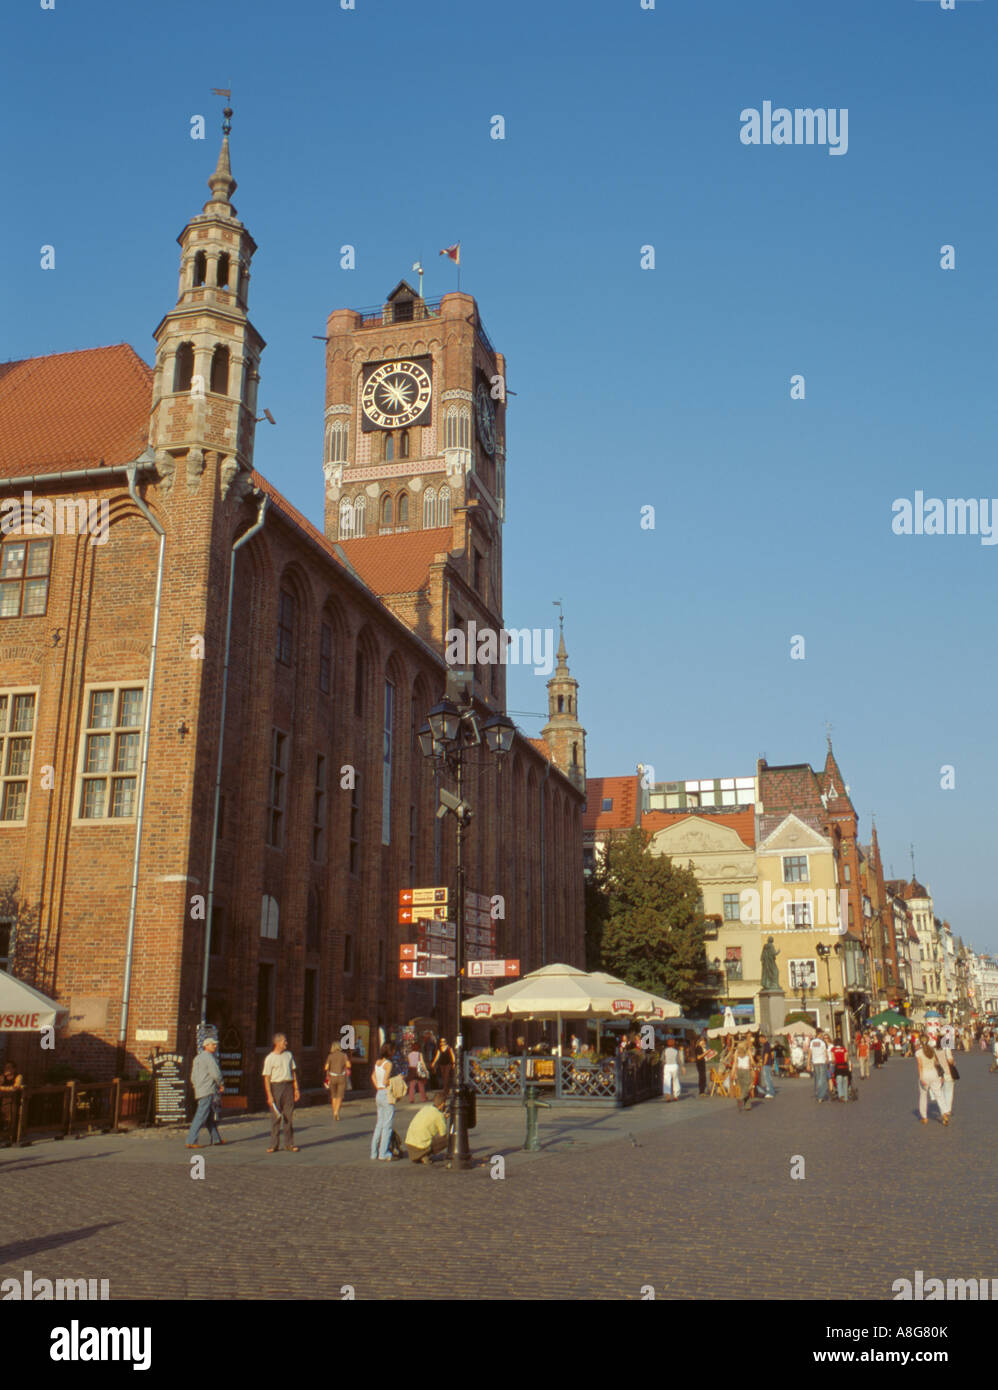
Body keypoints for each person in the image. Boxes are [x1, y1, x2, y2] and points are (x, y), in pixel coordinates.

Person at [185, 1036, 225, 1148]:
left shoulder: (197, 1058)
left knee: (209, 1116)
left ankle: (216, 1139)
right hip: (207, 1089)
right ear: (206, 1046)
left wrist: (196, 1086)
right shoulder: (209, 1058)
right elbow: (215, 1073)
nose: (215, 1046)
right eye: (213, 1044)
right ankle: (191, 1140)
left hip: (199, 1089)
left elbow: (192, 1076)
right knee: (201, 1115)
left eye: (215, 1044)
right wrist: (221, 1084)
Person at [263, 1033, 300, 1153]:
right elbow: (267, 1078)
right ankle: (274, 1144)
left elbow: (293, 1073)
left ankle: (289, 1144)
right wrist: (269, 1095)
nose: (286, 1043)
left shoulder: (289, 1055)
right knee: (276, 1117)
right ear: (277, 1043)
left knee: (288, 1116)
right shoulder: (270, 1058)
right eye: (284, 1041)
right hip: (276, 1086)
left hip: (288, 1086)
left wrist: (296, 1089)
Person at [404, 1091, 449, 1164]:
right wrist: (444, 1119)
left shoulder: (425, 1108)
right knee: (447, 1139)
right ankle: (424, 1155)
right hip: (420, 1147)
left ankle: (419, 1156)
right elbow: (443, 1134)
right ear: (443, 1104)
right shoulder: (439, 1116)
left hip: (409, 1145)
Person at [370, 1043, 396, 1161]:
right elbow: (386, 1080)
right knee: (387, 1125)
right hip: (386, 1094)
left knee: (379, 1124)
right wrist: (394, 1081)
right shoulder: (388, 1064)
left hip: (378, 1094)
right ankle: (383, 1153)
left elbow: (373, 1076)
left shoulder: (378, 1063)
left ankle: (373, 1153)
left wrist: (377, 1086)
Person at [914, 1037, 947, 1125]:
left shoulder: (918, 1052)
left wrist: (921, 1078)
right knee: (939, 1094)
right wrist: (941, 1075)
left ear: (920, 1042)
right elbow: (936, 1063)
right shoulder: (932, 1050)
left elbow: (920, 1066)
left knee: (923, 1095)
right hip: (934, 1073)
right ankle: (944, 1113)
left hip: (925, 1074)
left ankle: (924, 1117)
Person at [324, 1041, 351, 1121]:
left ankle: (334, 1112)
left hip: (332, 1077)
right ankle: (336, 1112)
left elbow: (326, 1067)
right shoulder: (344, 1055)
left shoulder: (330, 1056)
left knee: (333, 1095)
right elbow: (348, 1065)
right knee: (340, 1096)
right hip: (341, 1077)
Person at [731, 1039, 756, 1111]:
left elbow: (735, 1063)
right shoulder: (748, 1052)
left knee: (743, 1088)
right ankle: (741, 1098)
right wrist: (755, 1065)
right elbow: (752, 1061)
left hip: (739, 1071)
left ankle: (747, 1105)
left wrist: (733, 1073)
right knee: (748, 1087)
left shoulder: (736, 1052)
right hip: (746, 1071)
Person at [810, 1031, 830, 1102]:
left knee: (818, 1079)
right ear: (819, 1035)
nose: (822, 1036)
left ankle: (817, 1093)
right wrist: (827, 1059)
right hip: (822, 1062)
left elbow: (810, 1053)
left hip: (815, 1062)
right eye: (821, 1035)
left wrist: (808, 1063)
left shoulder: (812, 1042)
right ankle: (820, 1096)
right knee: (823, 1079)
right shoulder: (822, 1042)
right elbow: (825, 1052)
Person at [830, 1036, 849, 1103]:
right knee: (845, 1082)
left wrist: (833, 1062)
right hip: (844, 1067)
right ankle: (846, 1097)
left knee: (839, 1081)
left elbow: (833, 1060)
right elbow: (846, 1059)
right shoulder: (844, 1049)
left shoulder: (833, 1049)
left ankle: (841, 1095)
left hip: (838, 1067)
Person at [758, 1033, 776, 1099]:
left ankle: (770, 1092)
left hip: (767, 1064)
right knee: (769, 1078)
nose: (760, 1041)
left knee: (767, 1078)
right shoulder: (767, 1045)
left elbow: (766, 1055)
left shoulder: (766, 1045)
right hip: (769, 1063)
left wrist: (764, 1063)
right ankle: (772, 1091)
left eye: (760, 1039)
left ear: (763, 1038)